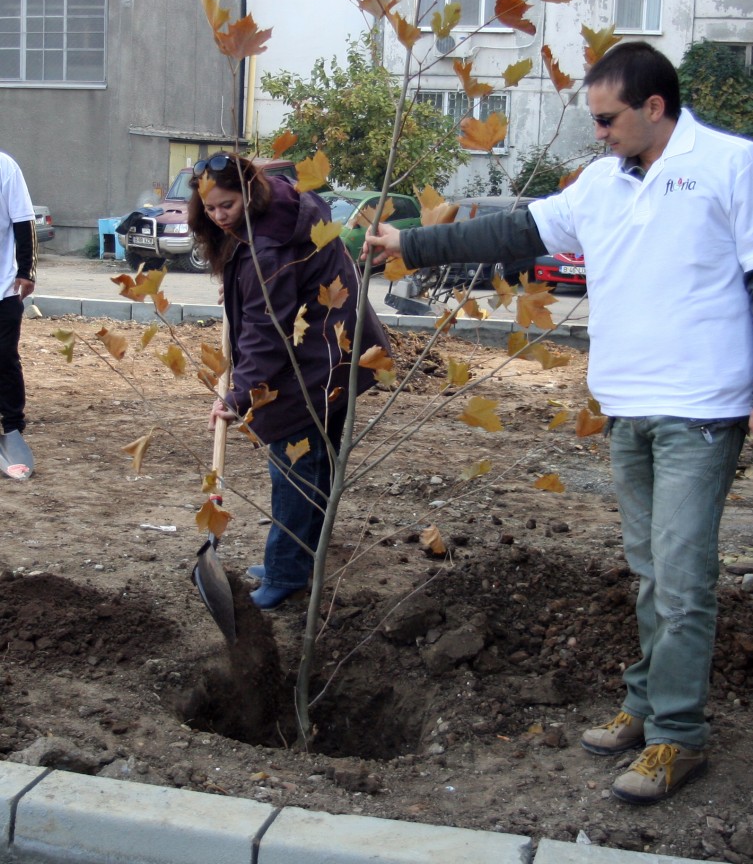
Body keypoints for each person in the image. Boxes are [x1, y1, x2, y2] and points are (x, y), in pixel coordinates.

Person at [364, 41, 753, 805]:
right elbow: (508, 233)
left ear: (652, 107)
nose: (598, 132)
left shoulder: (731, 165)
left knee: (681, 578)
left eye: (607, 119)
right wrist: (411, 244)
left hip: (698, 408)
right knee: (648, 571)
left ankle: (678, 736)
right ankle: (645, 705)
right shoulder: (600, 185)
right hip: (624, 403)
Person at [188, 153, 390, 611]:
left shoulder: (269, 249)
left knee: (296, 473)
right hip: (337, 352)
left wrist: (237, 396)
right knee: (315, 467)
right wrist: (239, 279)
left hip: (312, 367)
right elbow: (272, 292)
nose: (219, 217)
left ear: (249, 194)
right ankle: (301, 561)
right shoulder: (278, 206)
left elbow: (268, 333)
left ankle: (285, 572)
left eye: (227, 205)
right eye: (211, 208)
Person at [0, 151, 37, 440]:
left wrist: (26, 270)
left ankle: (12, 426)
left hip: (3, 288)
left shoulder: (5, 167)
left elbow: (24, 221)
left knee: (4, 357)